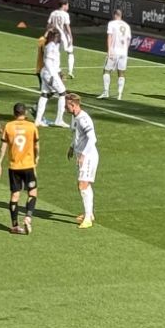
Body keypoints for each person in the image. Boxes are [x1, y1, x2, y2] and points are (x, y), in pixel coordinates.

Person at [0, 101, 40, 236]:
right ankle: (28, 217)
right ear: (25, 112)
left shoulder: (8, 126)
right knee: (32, 192)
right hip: (28, 165)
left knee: (15, 195)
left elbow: (3, 146)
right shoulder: (32, 127)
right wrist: (37, 157)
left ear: (14, 113)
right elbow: (36, 145)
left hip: (14, 166)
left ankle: (14, 225)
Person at [65, 92, 99, 229]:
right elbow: (77, 135)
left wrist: (84, 155)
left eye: (66, 105)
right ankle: (89, 214)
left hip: (88, 156)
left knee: (82, 185)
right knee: (83, 184)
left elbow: (92, 139)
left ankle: (88, 219)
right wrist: (72, 147)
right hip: (81, 155)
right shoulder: (75, 117)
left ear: (73, 105)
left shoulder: (84, 119)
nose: (65, 108)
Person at [34, 31, 67, 127]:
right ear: (54, 37)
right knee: (62, 93)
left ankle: (38, 120)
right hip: (50, 73)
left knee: (44, 94)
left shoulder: (52, 46)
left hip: (46, 72)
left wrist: (60, 72)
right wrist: (53, 76)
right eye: (58, 37)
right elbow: (48, 62)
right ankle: (59, 119)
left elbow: (54, 62)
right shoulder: (51, 47)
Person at [102, 8, 131, 100]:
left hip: (114, 51)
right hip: (124, 52)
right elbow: (128, 40)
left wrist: (109, 49)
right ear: (121, 15)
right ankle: (119, 94)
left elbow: (109, 37)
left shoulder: (112, 24)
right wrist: (125, 50)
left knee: (106, 70)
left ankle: (106, 92)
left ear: (114, 15)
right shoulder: (126, 26)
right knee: (121, 72)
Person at [48, 0, 76, 78]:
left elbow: (49, 24)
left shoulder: (53, 13)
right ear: (64, 5)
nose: (68, 7)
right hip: (64, 36)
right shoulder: (65, 14)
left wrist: (49, 33)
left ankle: (56, 70)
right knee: (70, 52)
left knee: (57, 53)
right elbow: (67, 26)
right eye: (67, 5)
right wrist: (71, 36)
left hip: (55, 36)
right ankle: (70, 71)